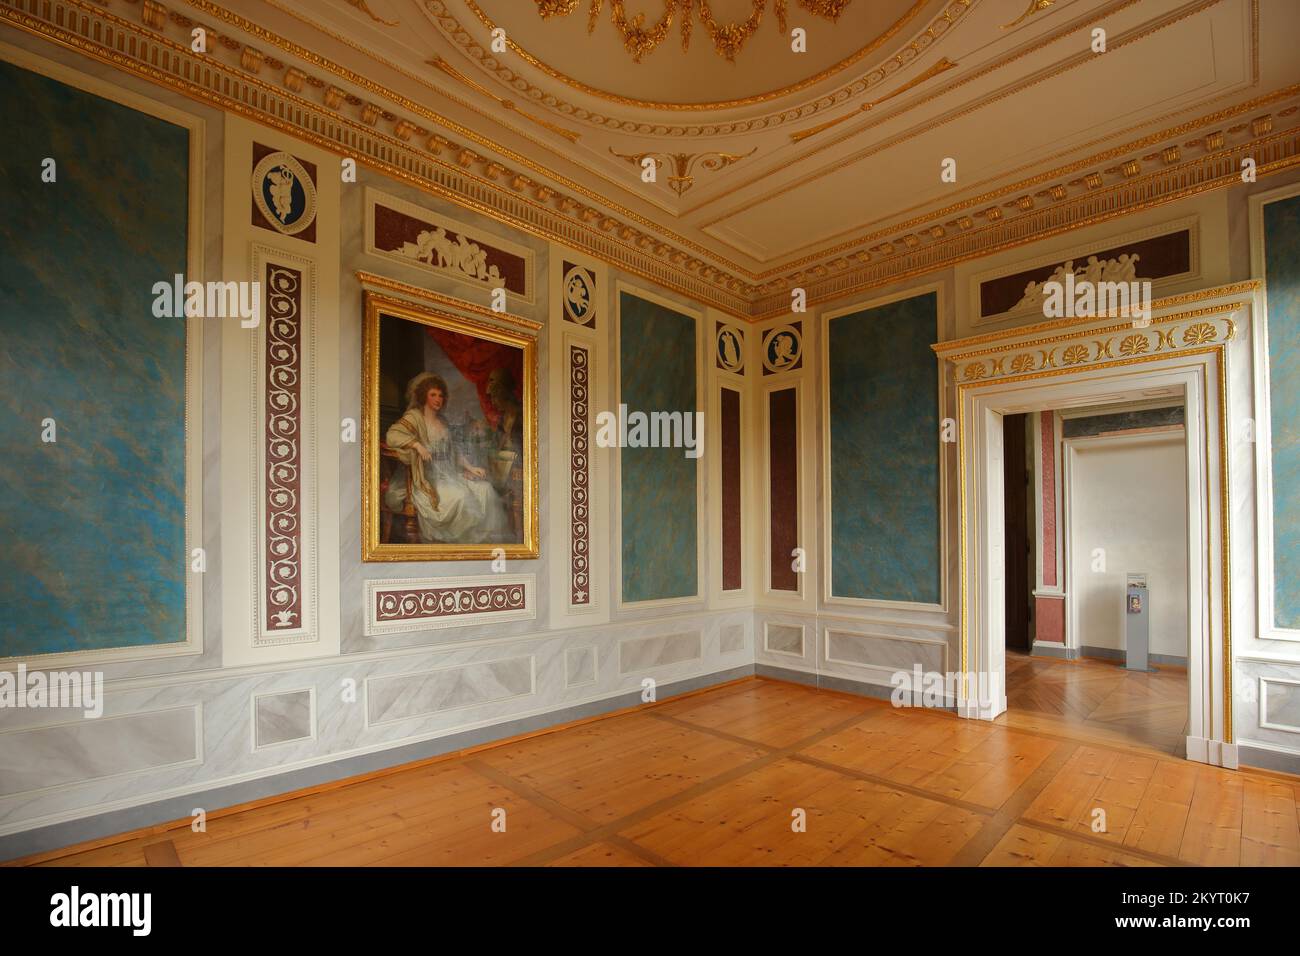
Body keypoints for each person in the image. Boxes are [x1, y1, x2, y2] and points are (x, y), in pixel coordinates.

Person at [384, 372, 510, 543]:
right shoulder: (414, 417)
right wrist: (416, 444)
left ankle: (481, 545)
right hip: (427, 479)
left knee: (486, 489)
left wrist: (470, 468)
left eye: (441, 395)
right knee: (461, 497)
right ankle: (458, 545)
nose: (438, 399)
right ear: (423, 396)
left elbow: (454, 452)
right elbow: (392, 435)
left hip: (449, 474)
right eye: (433, 395)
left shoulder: (442, 420)